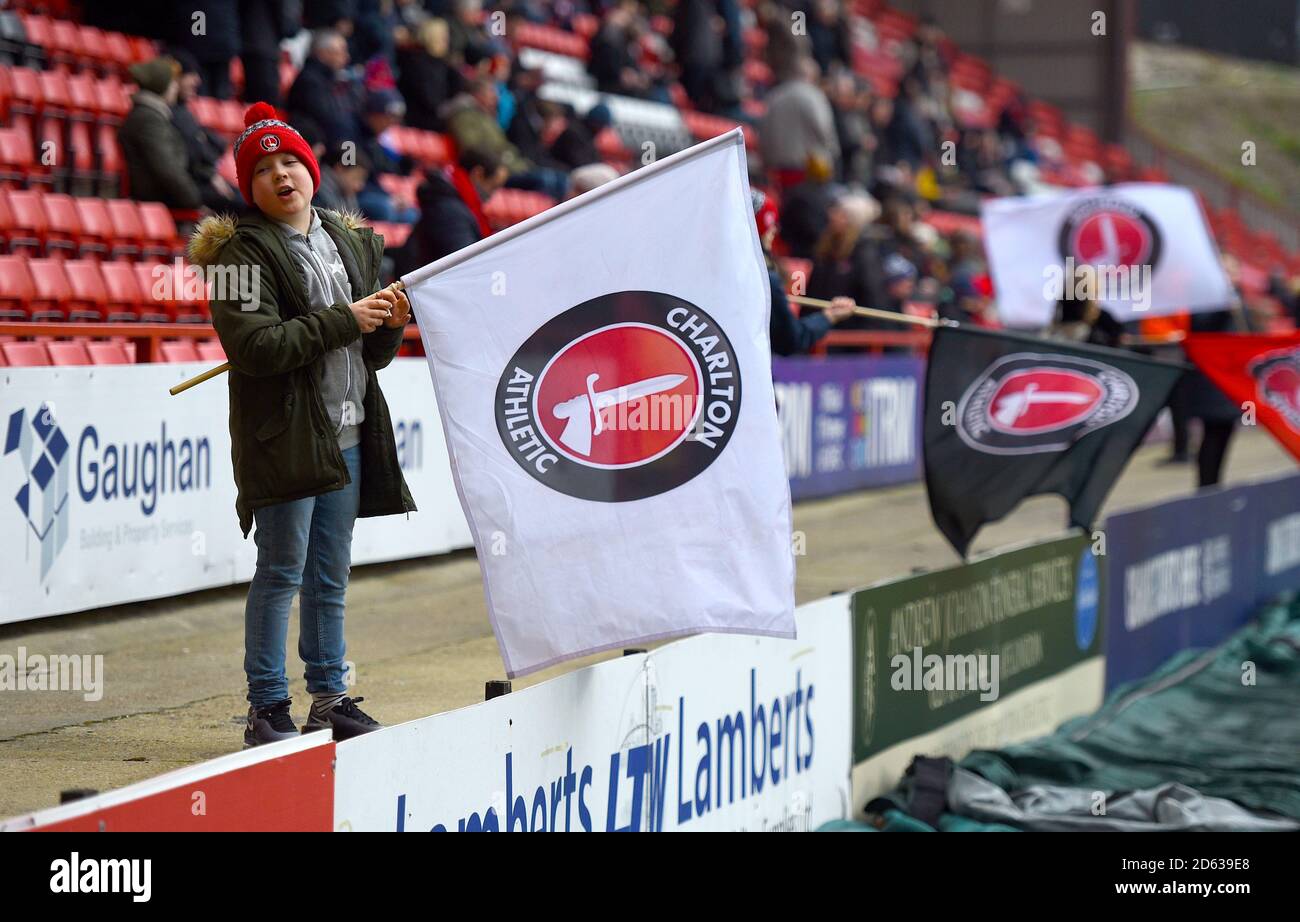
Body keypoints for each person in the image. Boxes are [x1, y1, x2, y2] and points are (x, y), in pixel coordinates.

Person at [188, 102, 416, 747]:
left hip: (346, 432)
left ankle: (330, 699)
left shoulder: (350, 240)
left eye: (291, 161)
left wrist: (388, 321)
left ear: (313, 171)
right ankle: (266, 708)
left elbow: (371, 358)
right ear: (249, 188)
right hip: (283, 438)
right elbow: (257, 349)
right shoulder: (239, 254)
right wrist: (348, 318)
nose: (282, 175)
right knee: (282, 572)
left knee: (329, 576)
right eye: (264, 169)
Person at [754, 190, 853, 355]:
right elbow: (791, 339)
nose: (775, 230)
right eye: (770, 224)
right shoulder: (766, 280)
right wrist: (829, 316)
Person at [394, 146, 508, 275]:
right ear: (478, 174)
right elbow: (464, 263)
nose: (493, 195)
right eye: (493, 186)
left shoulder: (454, 202)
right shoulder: (449, 210)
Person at [118, 56, 203, 212]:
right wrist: (195, 201)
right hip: (160, 196)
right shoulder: (149, 118)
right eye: (173, 84)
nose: (176, 88)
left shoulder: (151, 114)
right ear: (162, 86)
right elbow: (167, 169)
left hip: (166, 192)